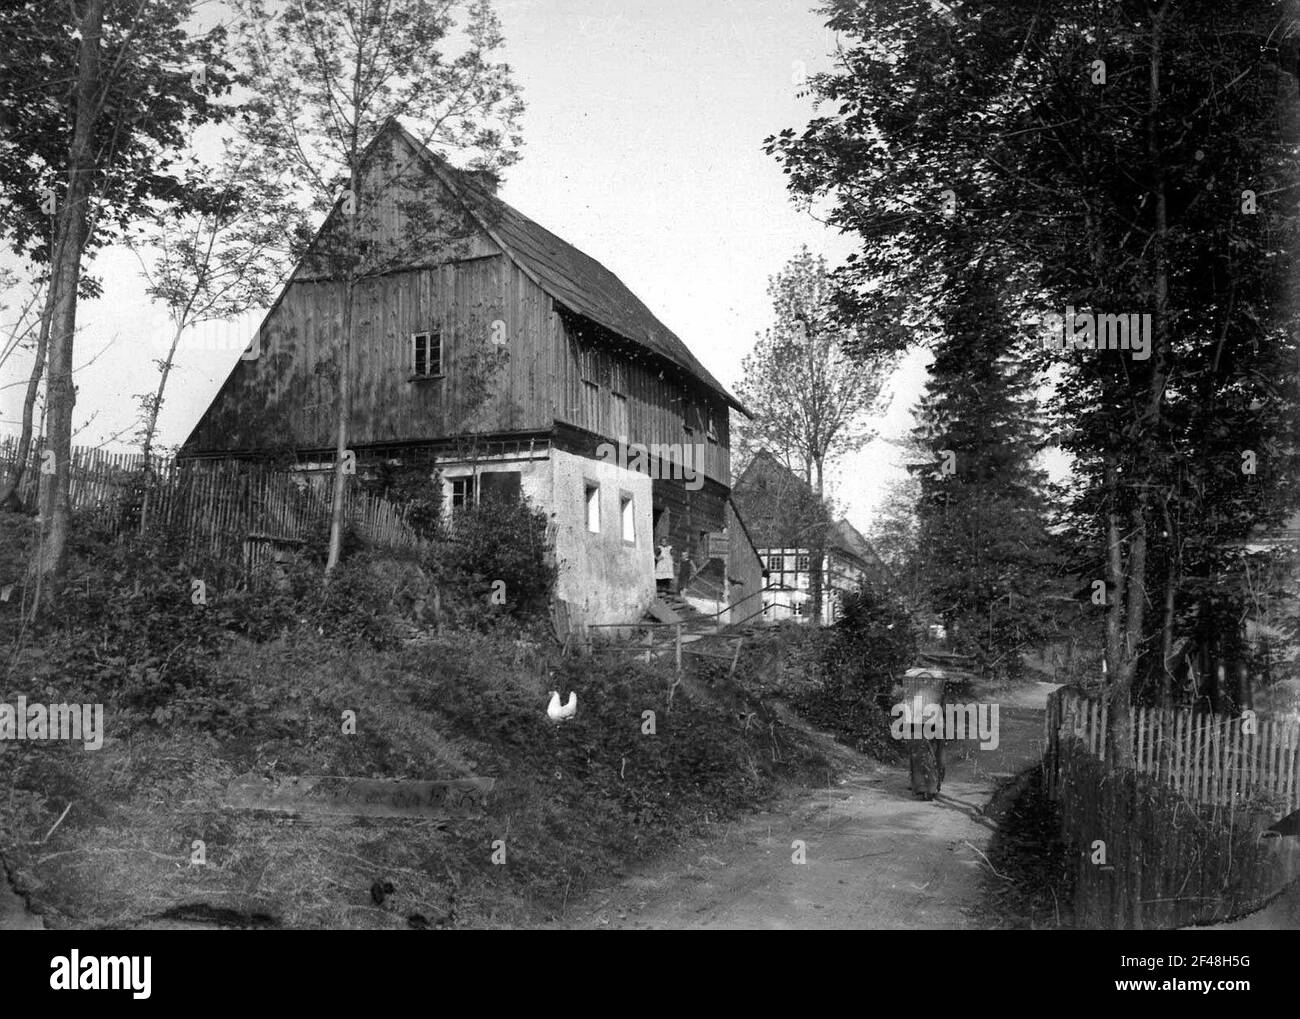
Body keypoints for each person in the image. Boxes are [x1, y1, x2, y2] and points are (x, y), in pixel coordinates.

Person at [902, 669, 947, 800]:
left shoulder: (912, 689)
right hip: (933, 720)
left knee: (918, 751)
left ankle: (921, 784)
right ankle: (933, 784)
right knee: (937, 750)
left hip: (916, 719)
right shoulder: (936, 687)